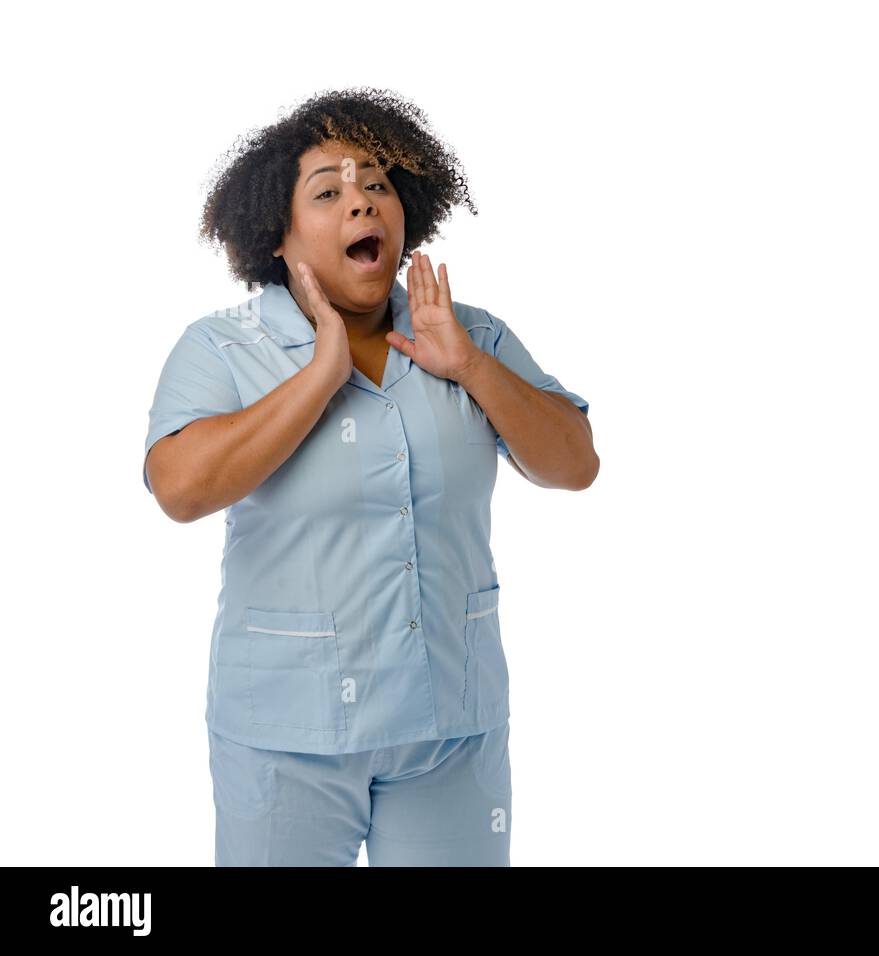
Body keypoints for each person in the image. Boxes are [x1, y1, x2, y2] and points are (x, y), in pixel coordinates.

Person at [143, 88, 598, 866]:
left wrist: (470, 367)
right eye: (328, 192)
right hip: (287, 736)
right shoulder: (224, 350)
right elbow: (179, 489)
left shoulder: (469, 334)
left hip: (449, 729)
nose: (362, 203)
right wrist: (321, 374)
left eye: (378, 186)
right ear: (278, 238)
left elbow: (575, 463)